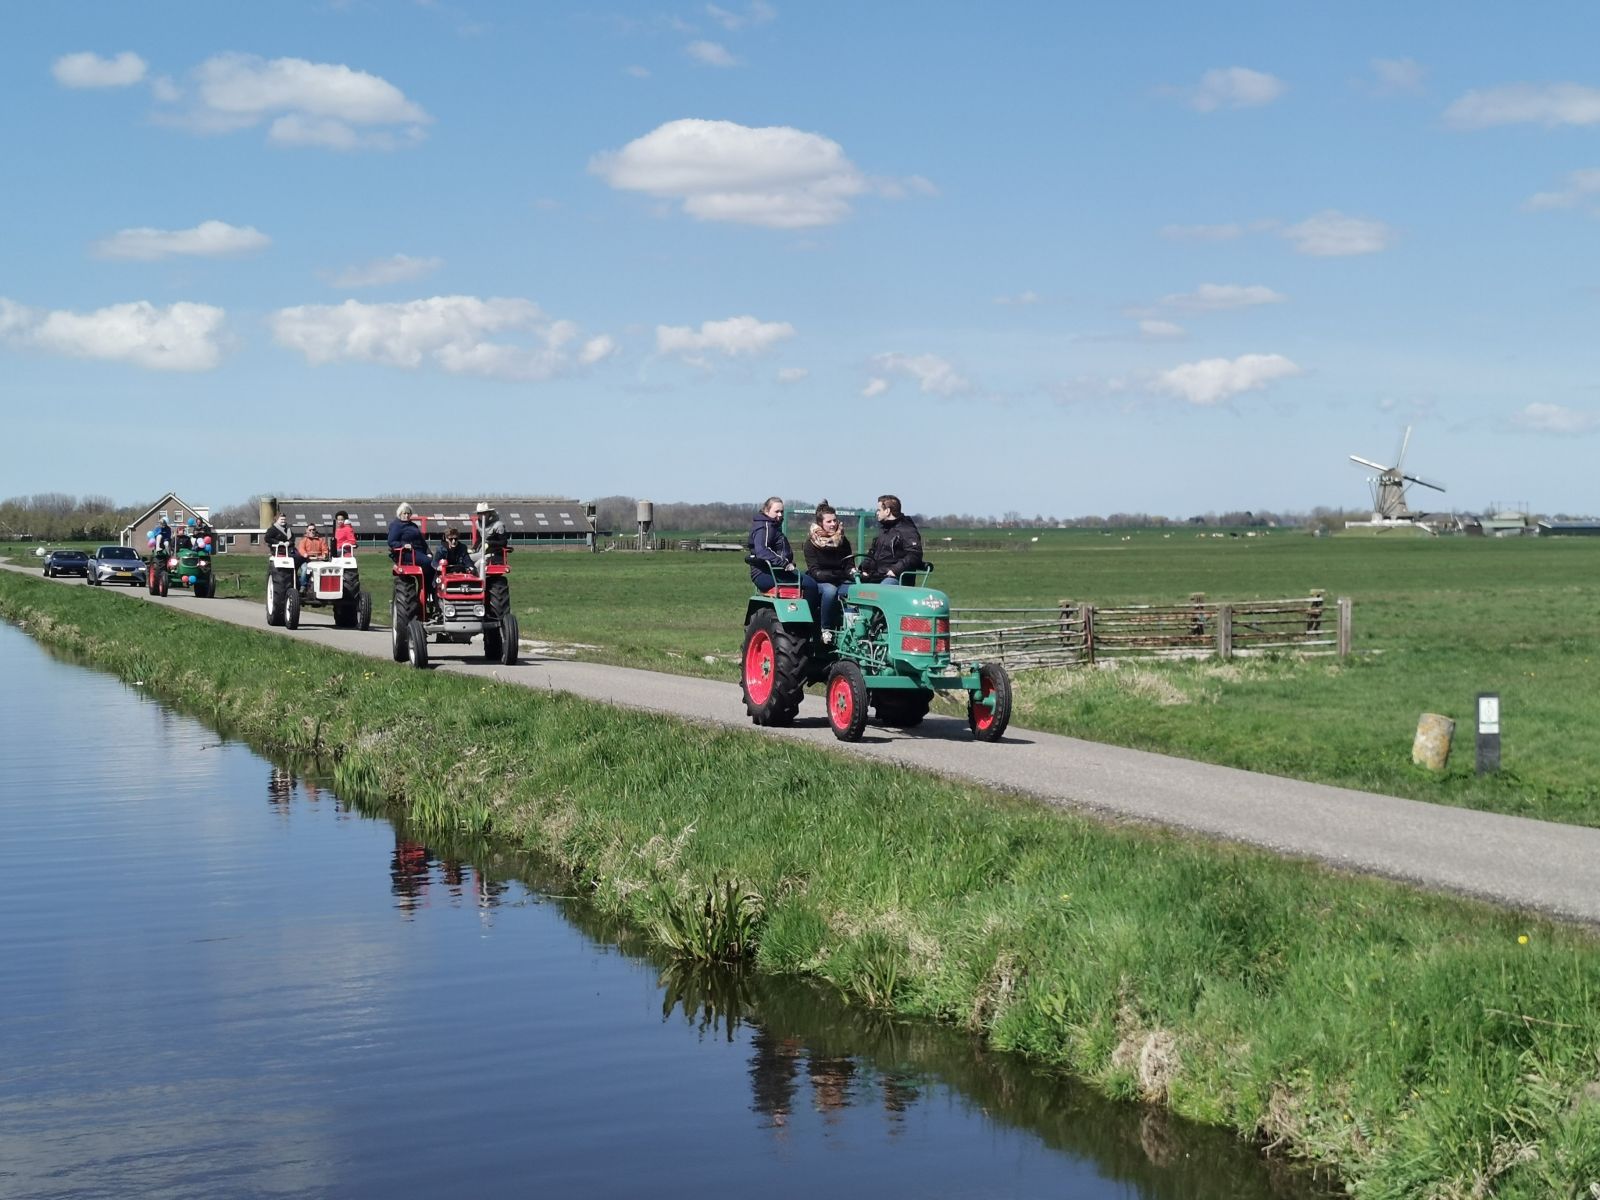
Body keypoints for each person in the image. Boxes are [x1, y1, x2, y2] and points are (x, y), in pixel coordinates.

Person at [747, 496, 822, 625]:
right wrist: (784, 563)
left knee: (809, 578)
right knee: (811, 585)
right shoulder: (765, 527)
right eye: (776, 511)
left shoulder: (772, 526)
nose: (780, 515)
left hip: (775, 571)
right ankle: (809, 624)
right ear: (766, 511)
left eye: (781, 511)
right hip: (766, 573)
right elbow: (762, 550)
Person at [802, 500, 853, 641]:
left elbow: (849, 565)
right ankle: (826, 629)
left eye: (834, 520)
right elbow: (814, 571)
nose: (833, 524)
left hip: (841, 579)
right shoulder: (810, 544)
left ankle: (852, 628)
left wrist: (854, 573)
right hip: (820, 581)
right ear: (820, 524)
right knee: (830, 590)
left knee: (858, 590)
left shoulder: (843, 541)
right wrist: (835, 575)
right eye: (829, 521)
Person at [858, 494, 923, 586]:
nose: (877, 513)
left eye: (879, 510)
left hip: (897, 578)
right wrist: (864, 569)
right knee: (851, 586)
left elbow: (914, 555)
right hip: (877, 575)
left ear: (887, 511)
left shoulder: (907, 530)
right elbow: (872, 553)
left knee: (883, 589)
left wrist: (895, 570)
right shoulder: (883, 530)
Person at [387, 502, 436, 610]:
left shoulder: (413, 526)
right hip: (407, 553)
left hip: (419, 552)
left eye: (408, 513)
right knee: (428, 563)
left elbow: (422, 542)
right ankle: (430, 590)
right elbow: (391, 542)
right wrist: (403, 545)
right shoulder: (396, 525)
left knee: (435, 563)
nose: (406, 515)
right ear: (400, 514)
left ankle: (432, 590)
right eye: (404, 513)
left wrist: (428, 552)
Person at [471, 501, 507, 574]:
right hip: (481, 552)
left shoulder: (498, 525)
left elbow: (503, 542)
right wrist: (473, 549)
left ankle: (479, 580)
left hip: (493, 554)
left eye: (484, 513)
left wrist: (489, 543)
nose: (482, 515)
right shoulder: (478, 524)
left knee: (476, 566)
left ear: (489, 513)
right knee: (466, 559)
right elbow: (479, 539)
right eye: (479, 513)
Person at [297, 522, 330, 587]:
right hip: (307, 560)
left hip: (318, 560)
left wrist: (325, 554)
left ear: (315, 530)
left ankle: (324, 584)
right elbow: (301, 548)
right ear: (307, 530)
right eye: (310, 530)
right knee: (304, 570)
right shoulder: (304, 539)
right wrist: (305, 554)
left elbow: (325, 549)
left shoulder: (320, 540)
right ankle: (303, 585)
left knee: (326, 570)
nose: (312, 531)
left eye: (313, 529)